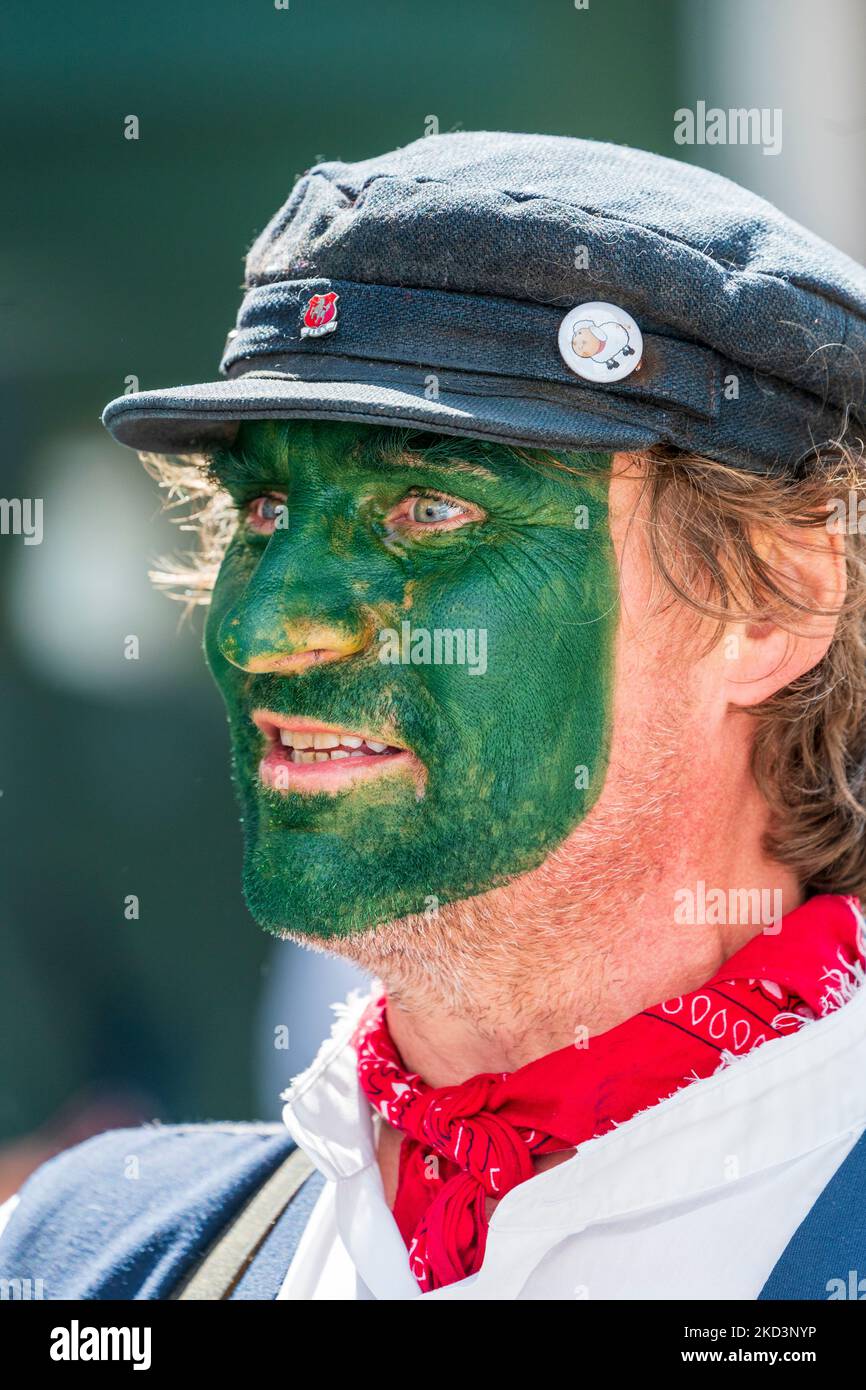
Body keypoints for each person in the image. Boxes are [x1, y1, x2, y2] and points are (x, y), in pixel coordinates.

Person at [2, 131, 866, 1301]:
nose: (266, 630)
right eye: (262, 513)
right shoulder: (90, 1260)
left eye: (427, 508)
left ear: (772, 599)